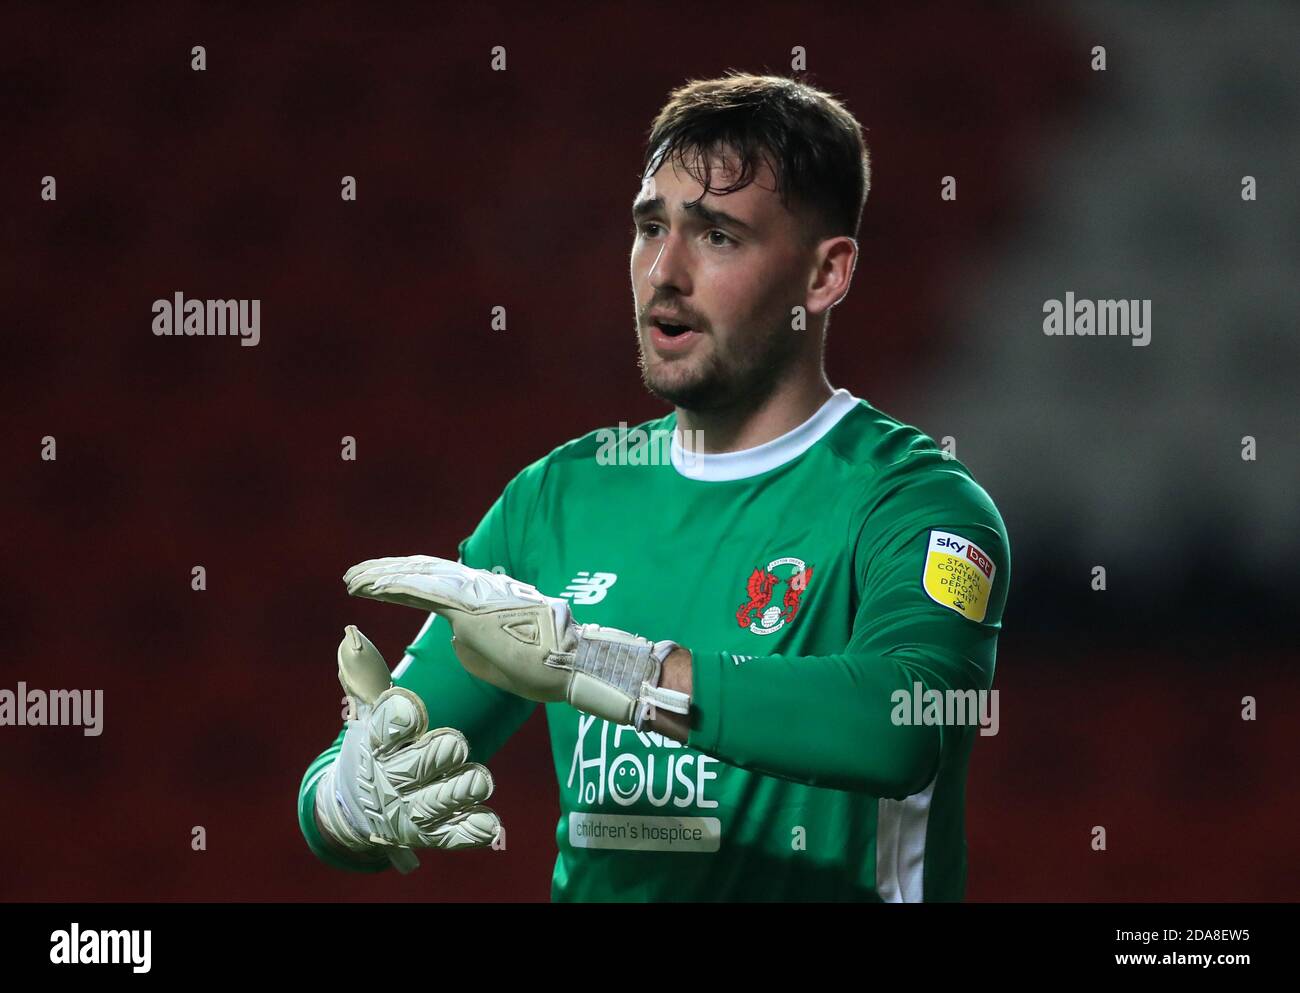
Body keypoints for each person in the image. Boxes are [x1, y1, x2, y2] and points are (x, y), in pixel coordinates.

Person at [298, 71, 1010, 902]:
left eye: (717, 237)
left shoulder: (913, 504)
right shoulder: (557, 500)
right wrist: (350, 798)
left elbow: (902, 723)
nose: (663, 271)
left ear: (825, 276)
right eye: (649, 226)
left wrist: (596, 664)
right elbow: (383, 750)